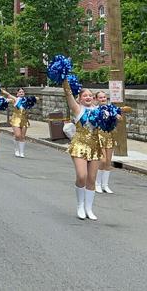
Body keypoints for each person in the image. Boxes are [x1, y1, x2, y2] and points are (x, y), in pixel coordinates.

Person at [62, 79, 102, 221]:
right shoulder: (78, 109)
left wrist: (118, 116)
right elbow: (68, 94)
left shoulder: (99, 110)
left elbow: (113, 121)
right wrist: (64, 79)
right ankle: (80, 205)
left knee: (92, 179)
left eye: (90, 95)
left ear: (94, 98)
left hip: (95, 146)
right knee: (82, 176)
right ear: (79, 98)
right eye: (85, 95)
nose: (88, 97)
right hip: (79, 145)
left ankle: (89, 208)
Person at [2, 87, 34, 159]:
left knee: (22, 136)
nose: (21, 93)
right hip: (16, 119)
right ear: (17, 94)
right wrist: (5, 97)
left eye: (22, 92)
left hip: (24, 120)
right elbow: (8, 97)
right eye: (20, 92)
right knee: (17, 135)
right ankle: (16, 149)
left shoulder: (26, 100)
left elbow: (33, 102)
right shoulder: (15, 100)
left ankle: (21, 152)